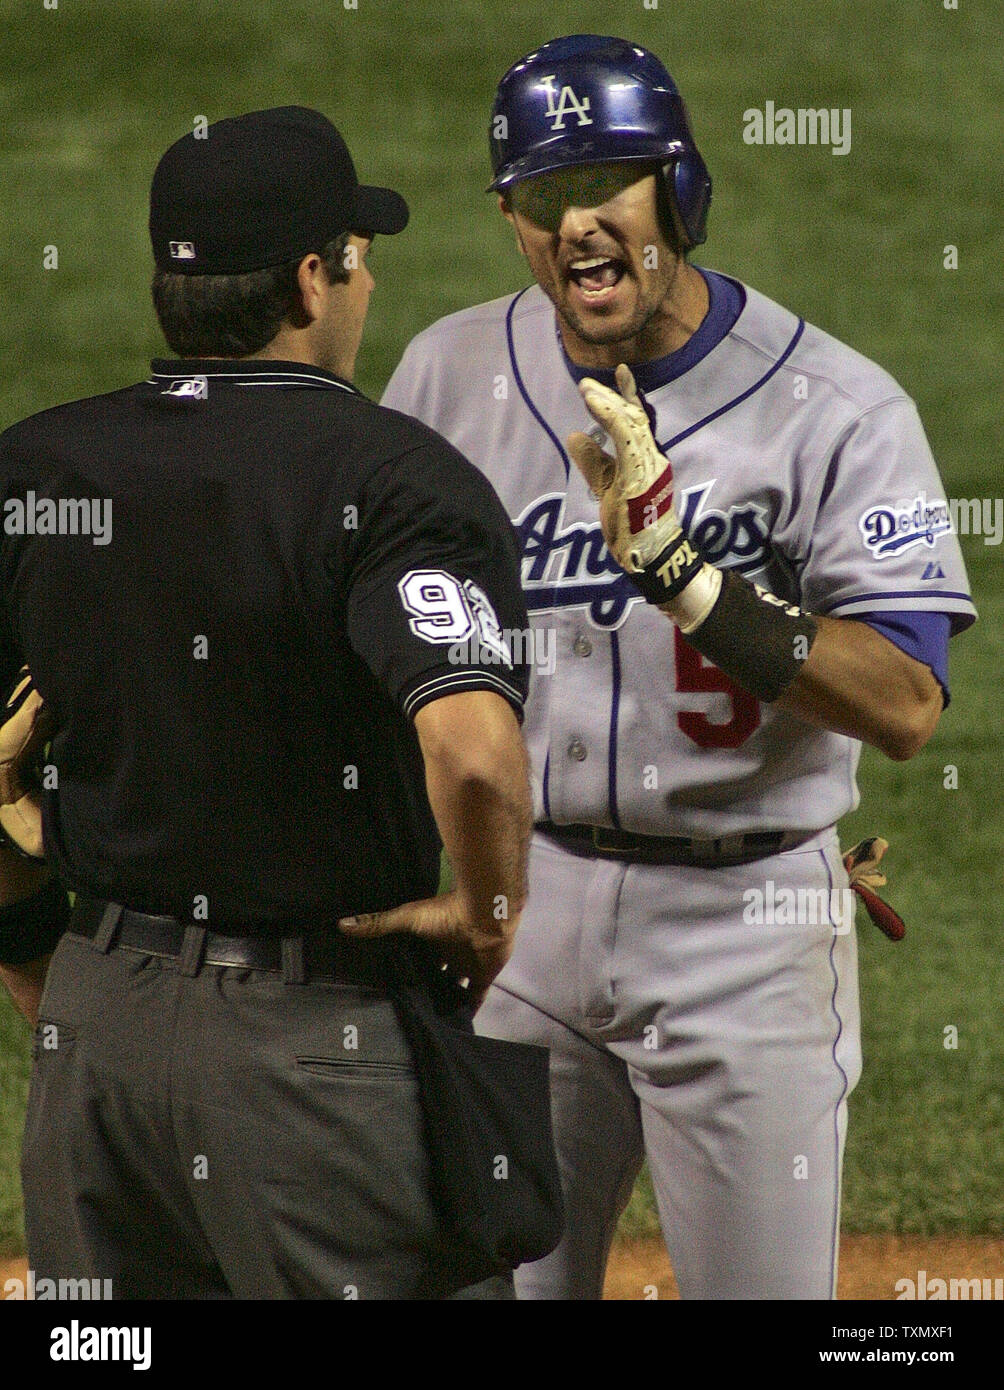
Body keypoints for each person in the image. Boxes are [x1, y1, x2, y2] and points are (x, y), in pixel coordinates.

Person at [380, 35, 976, 1299]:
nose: (576, 224)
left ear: (680, 192)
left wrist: (689, 581)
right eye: (542, 194)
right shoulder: (445, 373)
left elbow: (905, 702)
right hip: (522, 910)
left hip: (744, 930)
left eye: (608, 183)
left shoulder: (840, 407)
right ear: (509, 219)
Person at [0, 105, 536, 1300]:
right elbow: (473, 753)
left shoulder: (34, 470)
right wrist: (489, 910)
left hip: (95, 1047)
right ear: (310, 278)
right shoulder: (396, 481)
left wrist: (52, 971)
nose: (368, 280)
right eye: (358, 253)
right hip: (312, 1056)